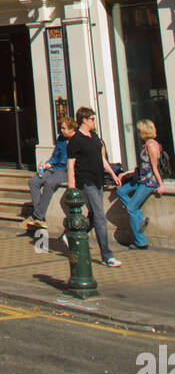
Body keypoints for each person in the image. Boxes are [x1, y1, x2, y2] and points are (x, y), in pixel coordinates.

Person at [66, 107, 122, 267]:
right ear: (84, 120)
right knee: (100, 217)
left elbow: (101, 158)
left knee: (93, 215)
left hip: (98, 181)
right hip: (86, 181)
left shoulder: (95, 136)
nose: (94, 121)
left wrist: (112, 173)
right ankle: (107, 255)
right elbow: (71, 165)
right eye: (92, 119)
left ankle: (71, 235)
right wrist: (71, 187)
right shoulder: (75, 140)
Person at [116, 120, 166, 250]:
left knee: (131, 208)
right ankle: (141, 217)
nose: (137, 133)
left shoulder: (151, 146)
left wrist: (161, 185)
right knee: (121, 191)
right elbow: (143, 166)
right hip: (141, 179)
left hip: (149, 182)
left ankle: (141, 241)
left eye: (138, 131)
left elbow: (154, 167)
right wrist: (127, 173)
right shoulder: (146, 145)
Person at [26, 117, 76, 227]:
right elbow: (55, 155)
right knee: (33, 181)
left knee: (50, 183)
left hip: (64, 170)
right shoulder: (61, 139)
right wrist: (48, 164)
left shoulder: (77, 141)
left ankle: (38, 215)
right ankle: (39, 214)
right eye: (61, 128)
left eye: (64, 128)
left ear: (72, 129)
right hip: (53, 167)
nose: (61, 130)